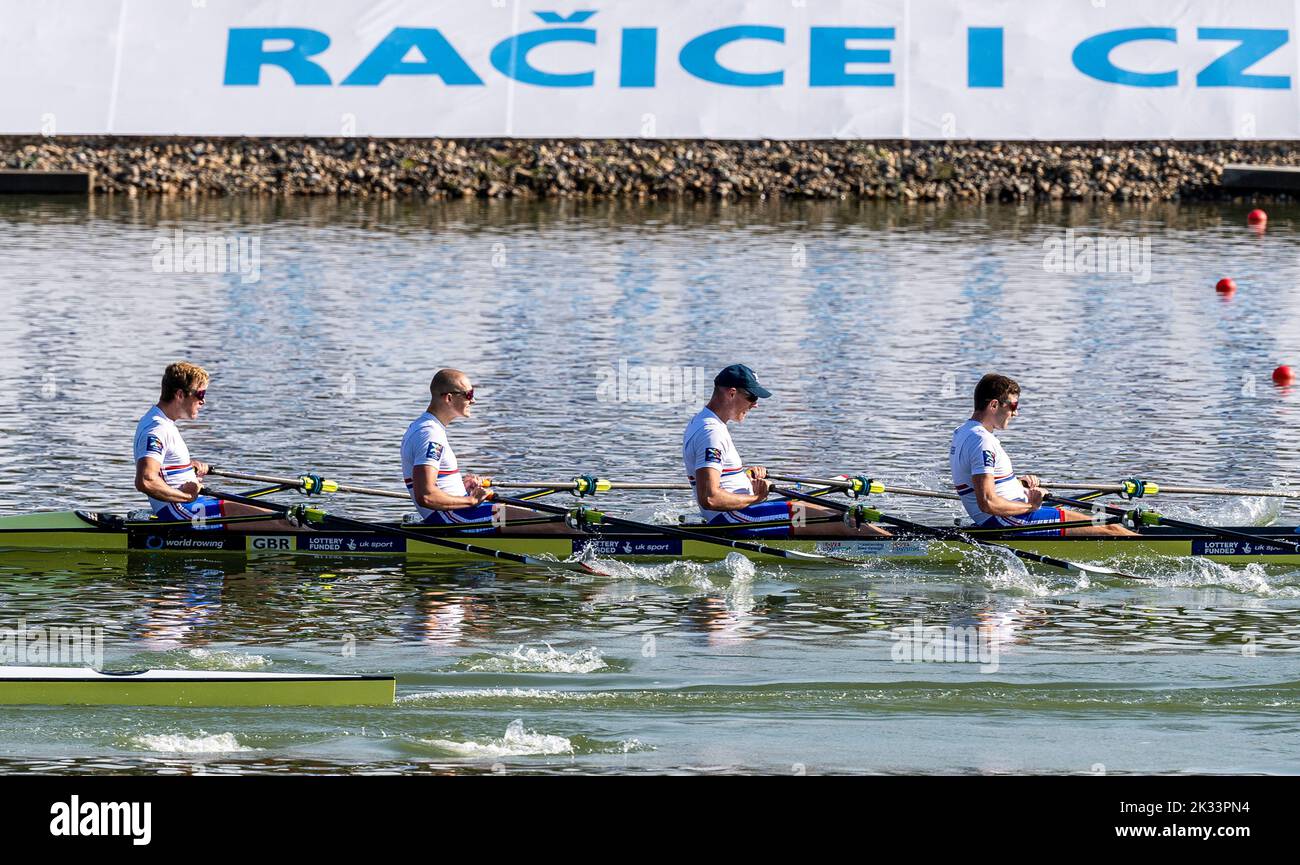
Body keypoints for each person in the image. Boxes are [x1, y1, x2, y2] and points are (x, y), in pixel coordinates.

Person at [682, 364, 890, 537]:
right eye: (753, 397)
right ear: (732, 393)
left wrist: (743, 475)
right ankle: (908, 549)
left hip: (742, 512)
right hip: (737, 518)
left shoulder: (703, 421)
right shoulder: (712, 433)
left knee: (832, 510)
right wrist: (756, 498)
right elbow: (710, 498)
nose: (755, 405)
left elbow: (717, 475)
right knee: (844, 518)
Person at [950, 373, 1135, 536]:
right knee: (1111, 529)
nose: (1016, 414)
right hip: (1008, 521)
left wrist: (1017, 482)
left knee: (1103, 520)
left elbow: (980, 482)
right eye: (1013, 406)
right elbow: (988, 502)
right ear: (993, 405)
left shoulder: (964, 431)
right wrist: (1031, 506)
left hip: (1009, 514)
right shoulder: (982, 441)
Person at [133, 362, 297, 530]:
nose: (203, 401)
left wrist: (188, 468)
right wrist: (185, 496)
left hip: (190, 505)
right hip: (180, 511)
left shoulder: (162, 422)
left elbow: (163, 467)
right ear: (180, 394)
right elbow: (146, 481)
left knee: (284, 517)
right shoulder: (157, 429)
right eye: (200, 394)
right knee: (282, 521)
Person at [400, 368, 562, 534]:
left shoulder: (425, 428)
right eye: (468, 395)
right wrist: (471, 500)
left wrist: (462, 487)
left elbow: (434, 485)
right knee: (556, 524)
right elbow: (426, 495)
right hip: (456, 520)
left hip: (458, 513)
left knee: (539, 515)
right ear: (449, 398)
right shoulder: (429, 434)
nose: (474, 401)